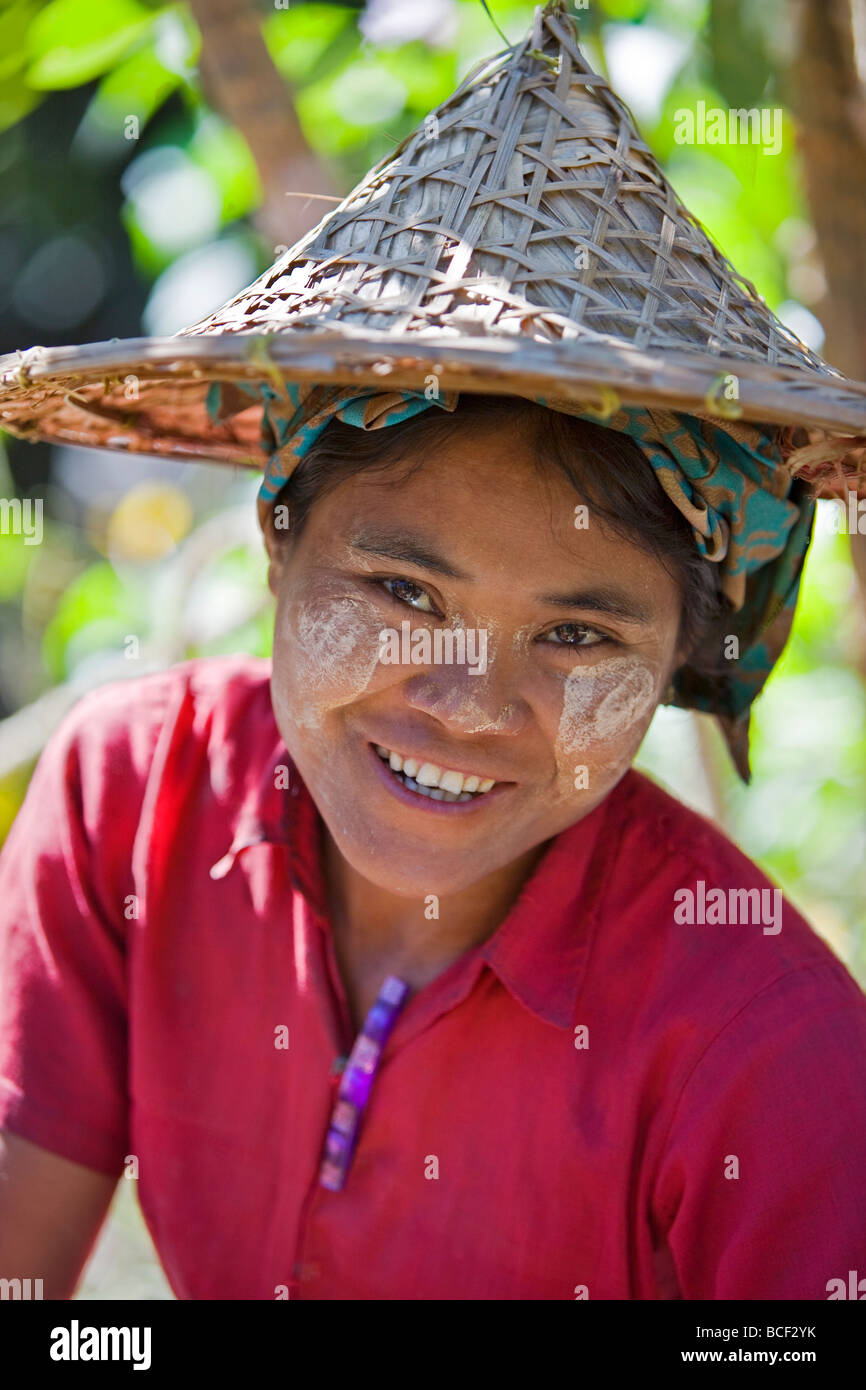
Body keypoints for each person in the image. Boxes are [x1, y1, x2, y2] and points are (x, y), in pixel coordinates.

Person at [1, 0, 866, 1301]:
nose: (471, 700)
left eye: (577, 633)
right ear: (277, 540)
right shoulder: (137, 801)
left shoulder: (770, 1055)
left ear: (687, 644)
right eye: (404, 588)